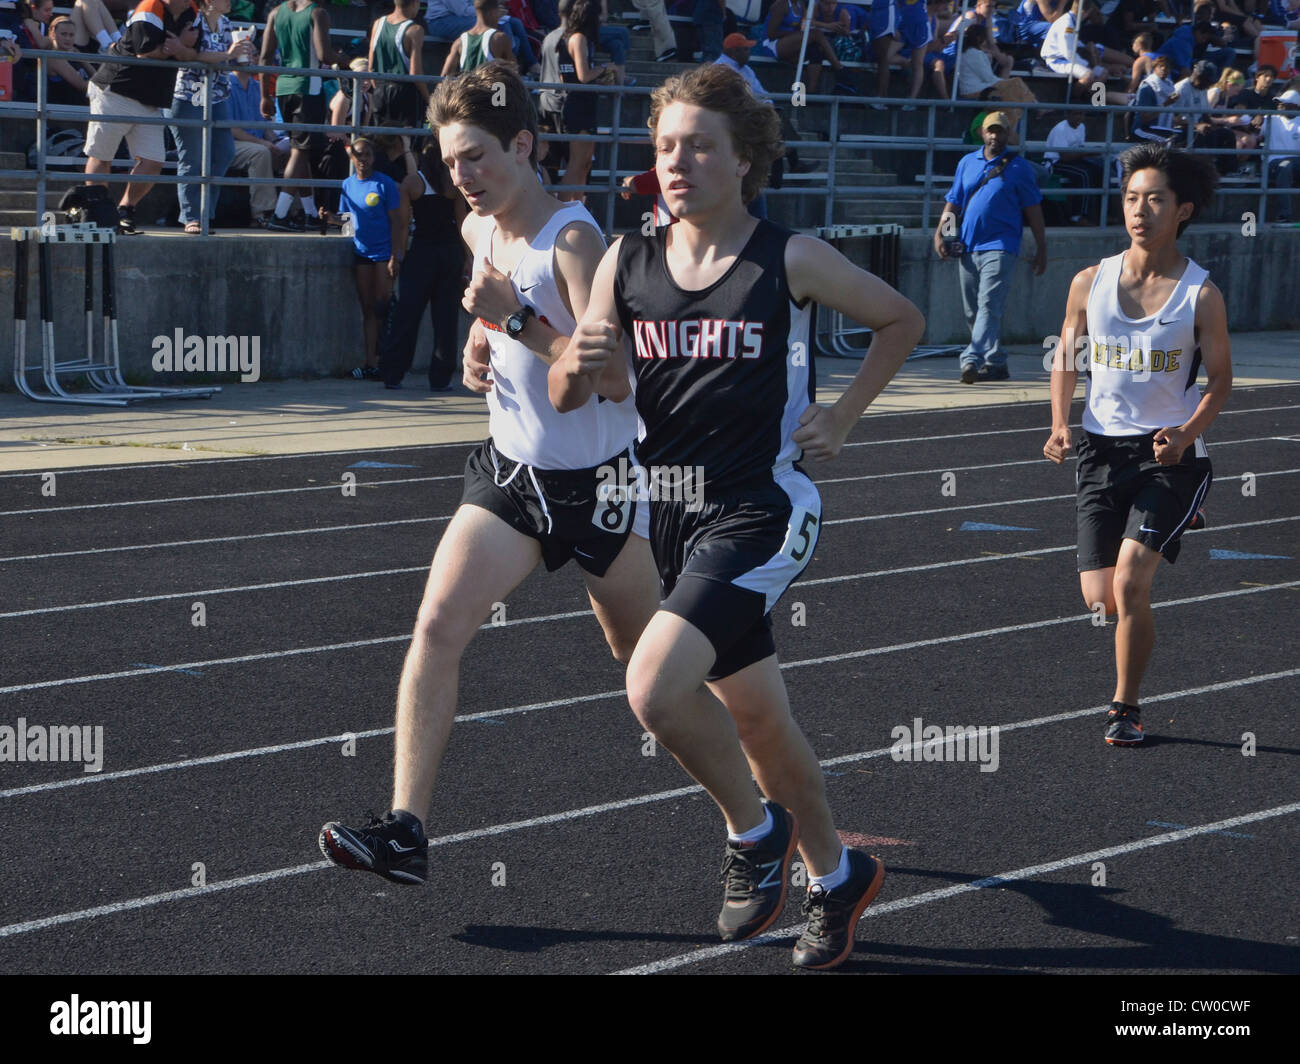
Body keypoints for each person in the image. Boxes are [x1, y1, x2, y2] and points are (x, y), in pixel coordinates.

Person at [550, 63, 926, 969]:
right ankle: (838, 878)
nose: (677, 163)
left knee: (652, 689)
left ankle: (755, 833)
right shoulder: (626, 261)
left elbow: (901, 319)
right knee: (757, 721)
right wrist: (572, 357)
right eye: (665, 147)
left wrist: (841, 414)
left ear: (743, 159)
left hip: (762, 509)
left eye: (700, 147)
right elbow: (579, 390)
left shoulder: (786, 257)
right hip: (671, 513)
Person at [319, 63, 660, 891]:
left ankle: (765, 807)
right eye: (448, 162)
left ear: (524, 145)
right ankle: (406, 830)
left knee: (655, 677)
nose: (459, 178)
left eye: (474, 157)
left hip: (602, 486)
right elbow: (495, 313)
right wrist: (484, 339)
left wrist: (513, 319)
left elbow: (614, 382)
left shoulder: (576, 242)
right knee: (437, 624)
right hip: (511, 477)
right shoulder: (478, 233)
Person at [1043, 143, 1229, 746]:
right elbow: (1066, 357)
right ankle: (1166, 535)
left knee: (1130, 584)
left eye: (1154, 199)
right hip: (1099, 450)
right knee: (1101, 600)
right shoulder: (1088, 282)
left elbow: (1222, 379)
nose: (1139, 209)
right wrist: (1060, 422)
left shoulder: (1200, 293)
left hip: (1167, 456)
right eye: (1130, 198)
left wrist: (1187, 434)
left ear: (1183, 211)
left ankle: (1125, 707)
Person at [934, 111, 1046, 383]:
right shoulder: (967, 162)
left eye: (1000, 131)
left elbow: (1034, 211)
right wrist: (941, 234)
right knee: (974, 310)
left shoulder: (1019, 168)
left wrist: (1042, 247)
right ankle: (996, 362)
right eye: (990, 131)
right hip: (969, 245)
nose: (995, 136)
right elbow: (954, 202)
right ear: (982, 133)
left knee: (988, 304)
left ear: (1008, 135)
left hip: (1002, 246)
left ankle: (971, 358)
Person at [83, 0, 202, 235]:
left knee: (153, 161)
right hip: (116, 89)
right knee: (102, 155)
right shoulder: (149, 8)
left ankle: (125, 210)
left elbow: (196, 53)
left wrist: (180, 49)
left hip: (149, 100)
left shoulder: (193, 12)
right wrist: (180, 48)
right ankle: (97, 213)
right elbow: (144, 52)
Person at [378, 139, 468, 390]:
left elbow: (403, 225)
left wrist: (396, 256)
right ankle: (440, 378)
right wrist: (468, 258)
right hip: (450, 254)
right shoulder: (453, 184)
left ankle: (393, 373)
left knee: (407, 316)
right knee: (446, 320)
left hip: (421, 253)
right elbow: (463, 224)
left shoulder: (412, 183)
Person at [317, 137, 404, 379]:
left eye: (367, 155)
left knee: (383, 309)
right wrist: (331, 218)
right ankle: (369, 364)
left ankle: (389, 362)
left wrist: (395, 256)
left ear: (373, 157)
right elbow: (348, 222)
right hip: (361, 252)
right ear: (352, 158)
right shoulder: (347, 184)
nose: (363, 159)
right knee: (367, 310)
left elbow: (397, 222)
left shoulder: (385, 184)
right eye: (358, 155)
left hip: (383, 254)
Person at [259, 0, 347, 232]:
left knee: (302, 150)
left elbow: (265, 57)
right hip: (308, 88)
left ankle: (310, 212)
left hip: (282, 89)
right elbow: (324, 55)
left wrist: (264, 96)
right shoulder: (317, 13)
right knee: (300, 151)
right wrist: (347, 61)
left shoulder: (276, 13)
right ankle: (279, 214)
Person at [168, 0, 251, 234]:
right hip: (188, 95)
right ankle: (191, 216)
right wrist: (227, 54)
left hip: (217, 96)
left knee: (224, 152)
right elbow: (186, 55)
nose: (230, 2)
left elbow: (226, 59)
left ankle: (206, 213)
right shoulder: (192, 20)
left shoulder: (225, 23)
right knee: (191, 158)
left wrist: (241, 56)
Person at [555, 0, 612, 201]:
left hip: (586, 103)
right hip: (578, 106)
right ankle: (561, 209)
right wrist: (605, 68)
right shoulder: (577, 38)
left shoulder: (576, 38)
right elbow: (583, 76)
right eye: (598, 17)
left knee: (586, 163)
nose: (601, 20)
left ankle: (577, 207)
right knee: (577, 163)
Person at [228, 62, 289, 226]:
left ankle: (291, 211)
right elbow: (232, 129)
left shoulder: (257, 87)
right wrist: (264, 143)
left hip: (256, 142)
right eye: (249, 53)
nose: (254, 58)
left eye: (255, 54)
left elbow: (264, 125)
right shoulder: (225, 84)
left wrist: (275, 141)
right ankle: (262, 213)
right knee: (260, 152)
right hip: (228, 144)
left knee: (294, 150)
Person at [369, 0, 427, 130]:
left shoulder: (378, 24)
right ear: (415, 3)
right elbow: (415, 72)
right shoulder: (415, 30)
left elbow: (371, 67)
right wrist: (428, 98)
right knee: (408, 143)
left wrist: (378, 89)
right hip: (404, 92)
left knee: (380, 141)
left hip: (380, 89)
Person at [1045, 108, 1103, 222]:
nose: (1079, 117)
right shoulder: (1061, 129)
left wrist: (1092, 152)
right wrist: (1088, 152)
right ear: (1068, 115)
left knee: (1099, 170)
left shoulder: (1081, 127)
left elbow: (1079, 149)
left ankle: (1100, 213)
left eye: (1081, 114)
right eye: (1076, 114)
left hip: (1073, 160)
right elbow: (1064, 156)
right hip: (1055, 162)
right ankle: (1078, 216)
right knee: (1083, 174)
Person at [441, 0, 516, 74]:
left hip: (467, 86)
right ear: (493, 13)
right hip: (492, 86)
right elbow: (514, 72)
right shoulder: (500, 38)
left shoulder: (459, 42)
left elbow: (444, 76)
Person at [1264, 88, 1300, 221]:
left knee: (1288, 166)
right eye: (1280, 103)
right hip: (1275, 161)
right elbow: (1252, 126)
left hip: (1297, 161)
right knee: (1285, 167)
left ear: (1296, 107)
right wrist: (1255, 120)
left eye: (1285, 104)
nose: (1280, 106)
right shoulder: (1270, 118)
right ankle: (1284, 215)